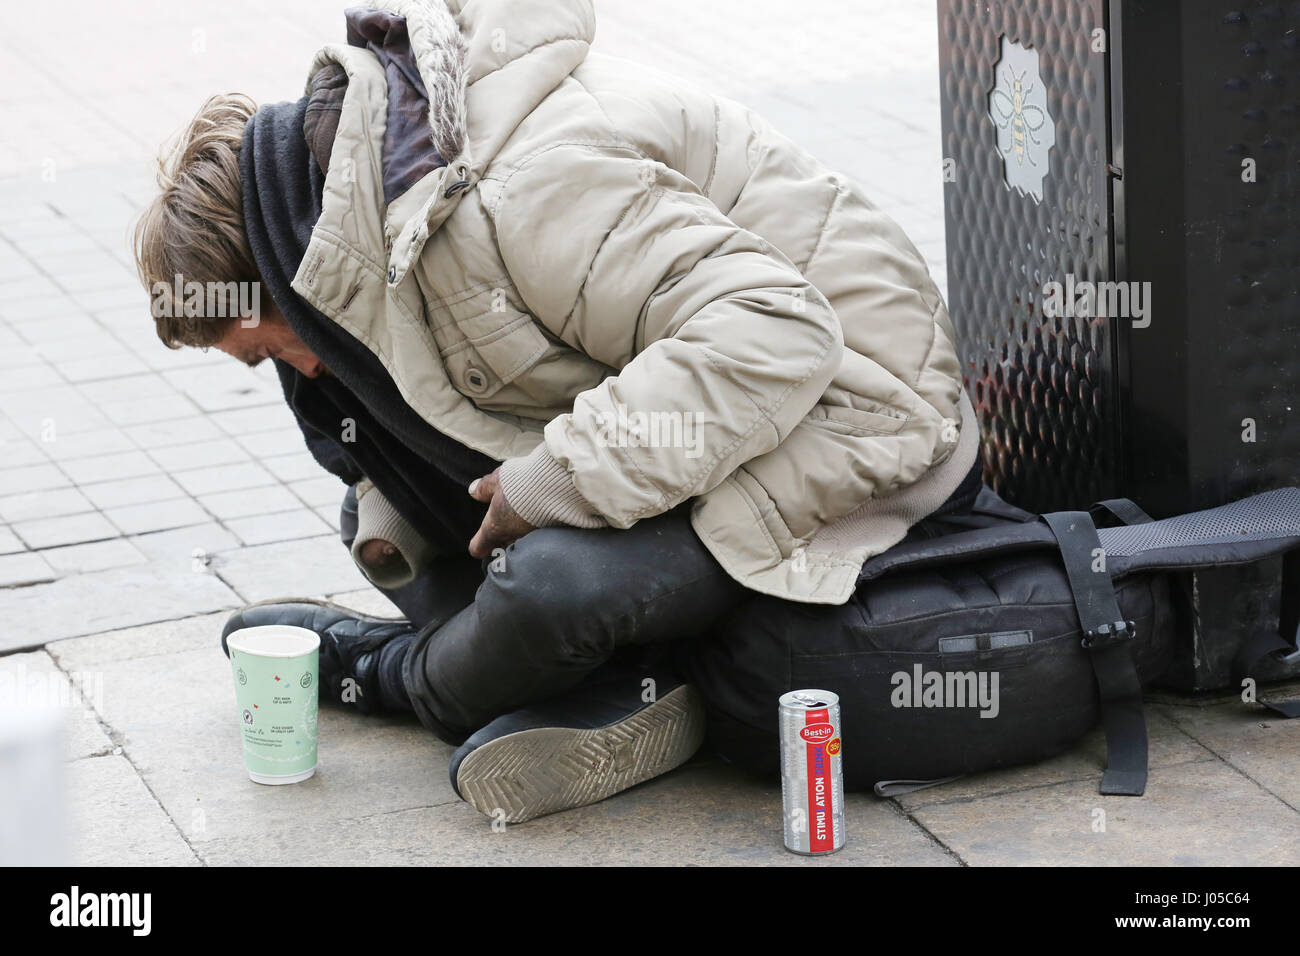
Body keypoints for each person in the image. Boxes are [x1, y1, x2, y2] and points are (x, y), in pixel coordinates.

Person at [133, 0, 979, 823]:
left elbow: (776, 332)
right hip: (739, 409)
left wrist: (560, 479)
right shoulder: (367, 211)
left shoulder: (519, 189)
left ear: (281, 270)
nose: (303, 370)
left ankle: (400, 678)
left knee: (551, 589)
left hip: (861, 409)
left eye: (275, 347)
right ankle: (623, 687)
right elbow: (446, 394)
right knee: (382, 510)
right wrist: (403, 493)